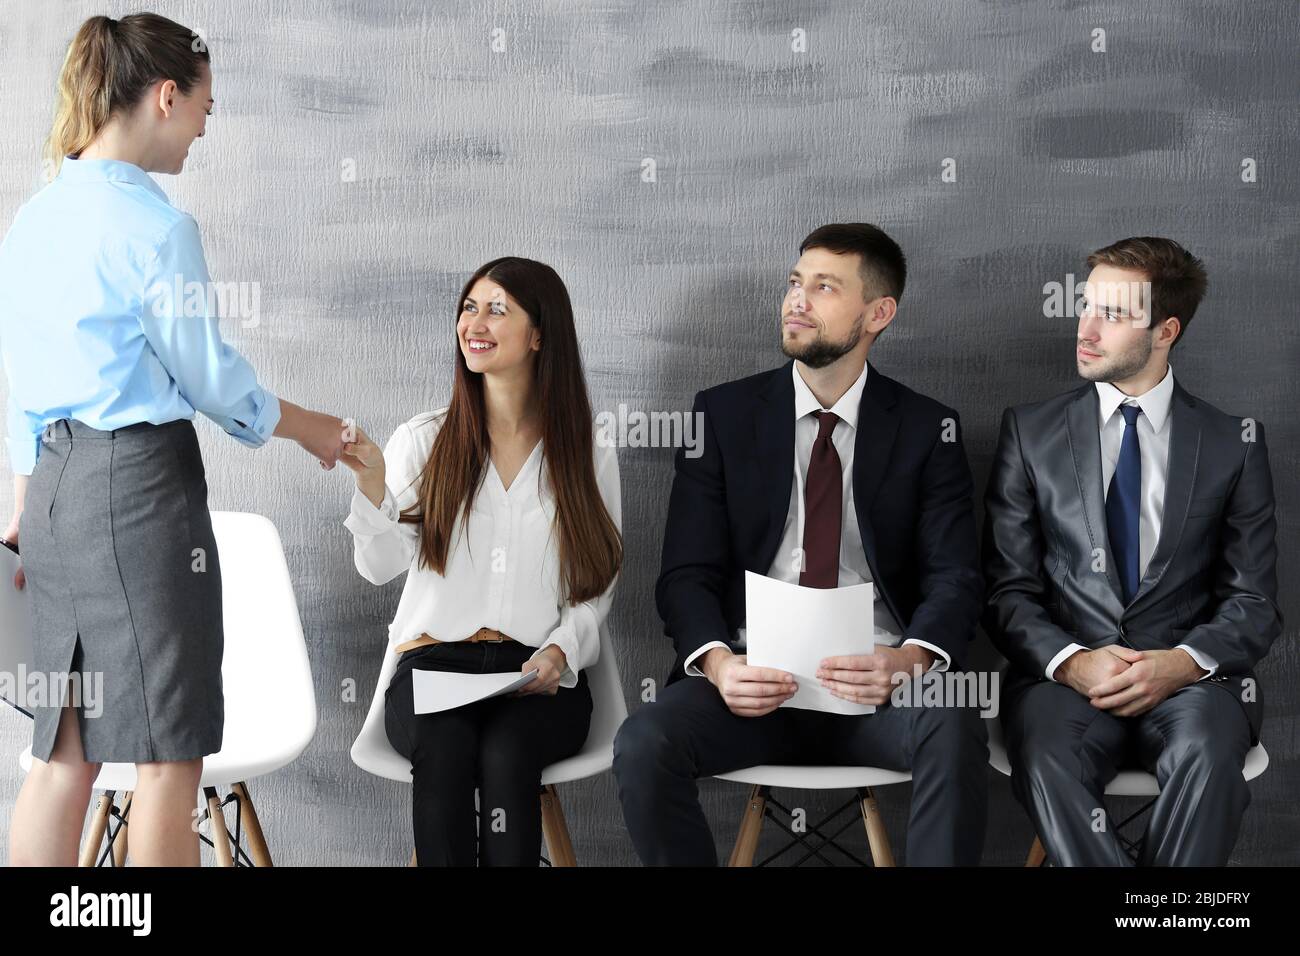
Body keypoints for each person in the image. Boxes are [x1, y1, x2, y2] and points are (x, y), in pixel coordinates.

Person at [0, 13, 348, 867]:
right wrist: (311, 431)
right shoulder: (157, 230)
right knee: (169, 752)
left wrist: (21, 494)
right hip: (137, 493)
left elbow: (19, 379)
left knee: (64, 752)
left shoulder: (32, 219)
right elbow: (211, 382)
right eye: (203, 107)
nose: (201, 128)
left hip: (49, 492)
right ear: (165, 96)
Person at [612, 223, 988, 866]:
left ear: (878, 313)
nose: (797, 300)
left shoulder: (930, 429)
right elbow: (685, 575)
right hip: (753, 682)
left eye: (823, 287)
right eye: (794, 282)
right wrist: (718, 665)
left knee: (952, 727)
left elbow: (956, 577)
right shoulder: (720, 417)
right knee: (645, 741)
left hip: (881, 691)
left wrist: (909, 662)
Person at [983, 236, 1281, 865]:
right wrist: (1069, 661)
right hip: (1063, 686)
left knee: (1206, 755)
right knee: (1046, 757)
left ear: (1166, 330)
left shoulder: (1234, 443)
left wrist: (1183, 662)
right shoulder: (1030, 432)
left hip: (1192, 688)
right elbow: (1008, 590)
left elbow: (1254, 602)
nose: (1086, 329)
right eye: (1086, 306)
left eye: (1113, 315)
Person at [341, 256, 622, 866]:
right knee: (443, 749)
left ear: (539, 333)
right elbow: (378, 566)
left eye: (498, 308)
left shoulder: (585, 451)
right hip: (434, 668)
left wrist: (561, 651)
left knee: (507, 753)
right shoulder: (423, 439)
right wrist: (372, 487)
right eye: (470, 306)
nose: (476, 321)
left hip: (537, 673)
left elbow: (595, 585)